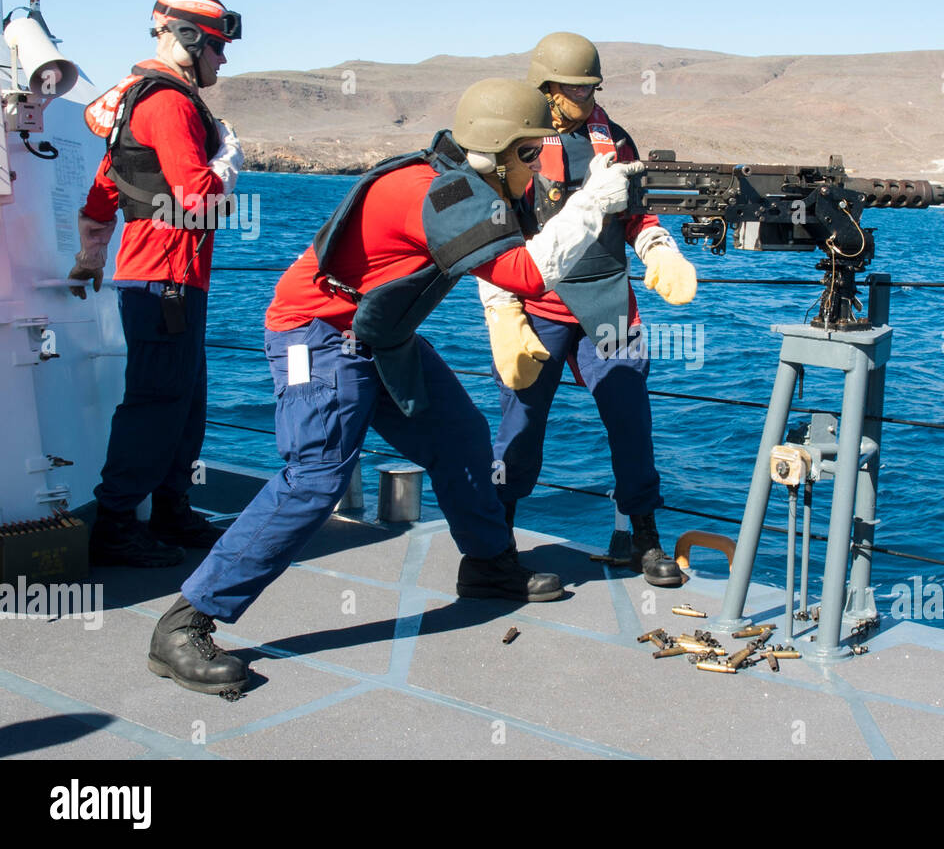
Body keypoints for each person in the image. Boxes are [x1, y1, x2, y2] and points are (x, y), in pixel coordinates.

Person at [147, 78, 646, 698]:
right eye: (529, 152)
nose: (537, 166)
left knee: (460, 436)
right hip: (316, 334)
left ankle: (488, 566)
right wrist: (591, 202)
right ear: (497, 149)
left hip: (381, 331)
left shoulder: (472, 181)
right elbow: (522, 272)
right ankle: (185, 623)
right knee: (316, 476)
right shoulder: (438, 193)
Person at [476, 32, 697, 587]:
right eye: (577, 87)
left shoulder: (614, 140)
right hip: (537, 305)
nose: (586, 96)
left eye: (591, 87)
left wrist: (657, 248)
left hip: (607, 302)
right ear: (548, 89)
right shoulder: (517, 143)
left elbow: (635, 212)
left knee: (631, 421)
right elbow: (494, 232)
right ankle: (494, 544)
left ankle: (643, 538)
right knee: (519, 428)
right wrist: (503, 310)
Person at [73, 0, 244, 567]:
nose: (222, 60)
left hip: (159, 281)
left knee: (185, 401)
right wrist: (227, 164)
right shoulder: (168, 104)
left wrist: (91, 258)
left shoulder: (135, 102)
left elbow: (103, 191)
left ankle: (172, 510)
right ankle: (116, 525)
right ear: (191, 39)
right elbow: (197, 199)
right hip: (165, 280)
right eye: (218, 47)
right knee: (156, 403)